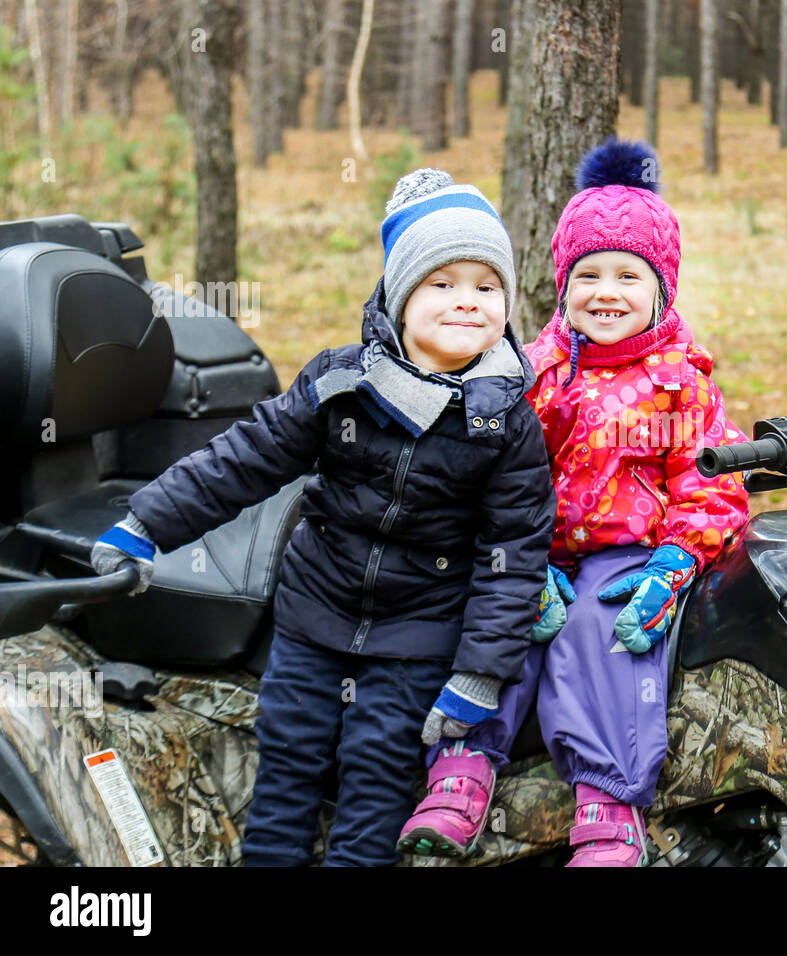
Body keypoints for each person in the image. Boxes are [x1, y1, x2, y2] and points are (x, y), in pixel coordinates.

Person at [89, 169, 554, 866]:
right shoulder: (342, 382)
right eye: (443, 283)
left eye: (487, 287)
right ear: (400, 296)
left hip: (417, 636)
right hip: (313, 616)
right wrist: (147, 523)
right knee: (288, 766)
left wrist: (478, 673)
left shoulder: (507, 421)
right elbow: (245, 458)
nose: (467, 302)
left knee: (376, 781)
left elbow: (514, 555)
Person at [398, 139, 750, 867]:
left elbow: (709, 479)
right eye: (588, 274)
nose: (606, 292)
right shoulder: (537, 368)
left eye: (628, 275)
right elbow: (487, 466)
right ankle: (461, 772)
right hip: (537, 548)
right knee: (503, 620)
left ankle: (608, 808)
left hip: (629, 555)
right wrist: (509, 554)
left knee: (607, 633)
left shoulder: (679, 381)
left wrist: (679, 560)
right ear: (563, 283)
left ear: (663, 287)